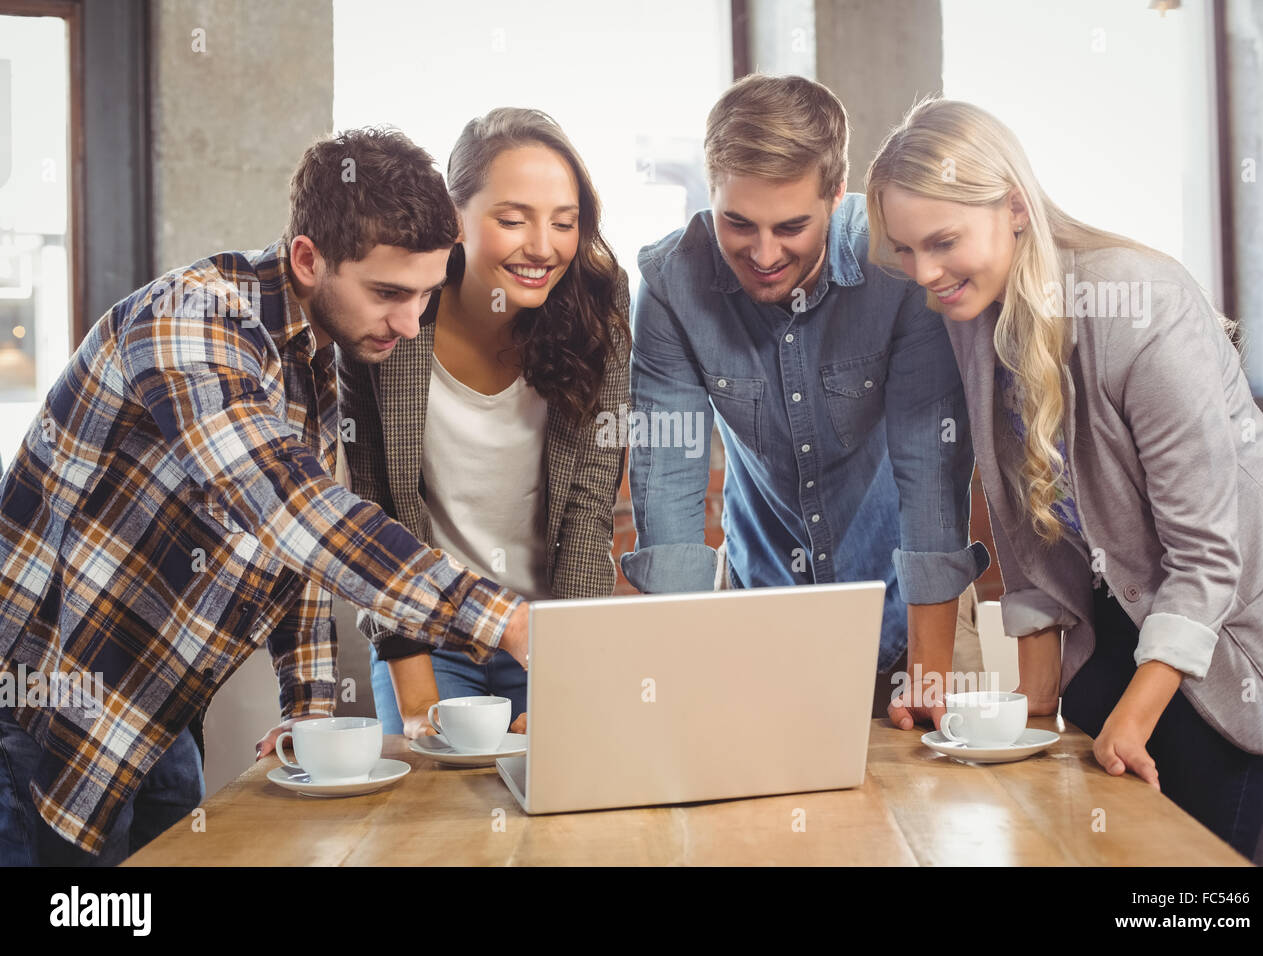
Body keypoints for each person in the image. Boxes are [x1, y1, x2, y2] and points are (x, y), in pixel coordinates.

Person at [0, 127, 531, 866]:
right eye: (388, 293)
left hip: (156, 717)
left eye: (425, 296)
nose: (410, 325)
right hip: (35, 719)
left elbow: (298, 557)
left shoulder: (312, 362)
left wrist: (307, 714)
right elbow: (291, 510)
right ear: (308, 258)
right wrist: (502, 619)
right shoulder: (191, 320)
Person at [865, 97, 1263, 858]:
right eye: (904, 250)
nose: (925, 275)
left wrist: (1131, 723)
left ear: (1014, 208)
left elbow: (1206, 556)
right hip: (1116, 616)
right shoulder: (969, 315)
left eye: (941, 242)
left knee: (1195, 883)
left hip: (1230, 631)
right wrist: (1034, 709)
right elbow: (1024, 524)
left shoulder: (1142, 306)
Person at [621, 74, 989, 722]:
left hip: (914, 610)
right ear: (711, 193)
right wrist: (666, 682)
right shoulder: (672, 287)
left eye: (791, 226)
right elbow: (669, 498)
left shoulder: (898, 271)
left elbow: (929, 472)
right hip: (764, 617)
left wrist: (929, 675)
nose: (763, 254)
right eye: (738, 222)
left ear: (836, 196)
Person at [339, 108, 629, 739]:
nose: (543, 246)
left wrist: (570, 676)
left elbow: (588, 510)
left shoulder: (597, 308)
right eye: (512, 219)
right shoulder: (390, 316)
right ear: (456, 219)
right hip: (429, 634)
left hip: (551, 631)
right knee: (435, 817)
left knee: (562, 810)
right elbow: (375, 510)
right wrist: (418, 705)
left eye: (565, 222)